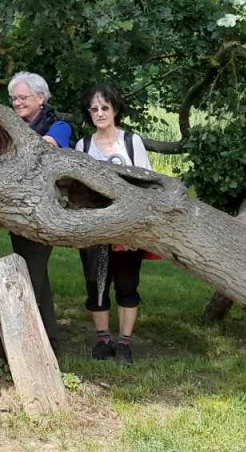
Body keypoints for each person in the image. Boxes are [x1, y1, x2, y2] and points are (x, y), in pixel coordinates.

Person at [75, 84, 153, 365]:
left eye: (104, 108)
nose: (99, 113)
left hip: (129, 227)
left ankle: (124, 344)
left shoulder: (132, 142)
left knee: (127, 285)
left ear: (115, 110)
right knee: (95, 285)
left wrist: (130, 231)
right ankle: (103, 340)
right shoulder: (82, 146)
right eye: (94, 109)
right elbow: (78, 191)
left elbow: (147, 184)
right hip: (94, 229)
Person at [7, 71, 72, 336]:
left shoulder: (59, 126)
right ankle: (49, 337)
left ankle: (26, 337)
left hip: (42, 213)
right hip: (17, 209)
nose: (17, 103)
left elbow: (39, 151)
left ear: (40, 98)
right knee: (37, 274)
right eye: (13, 99)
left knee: (30, 276)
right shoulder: (14, 125)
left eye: (23, 97)